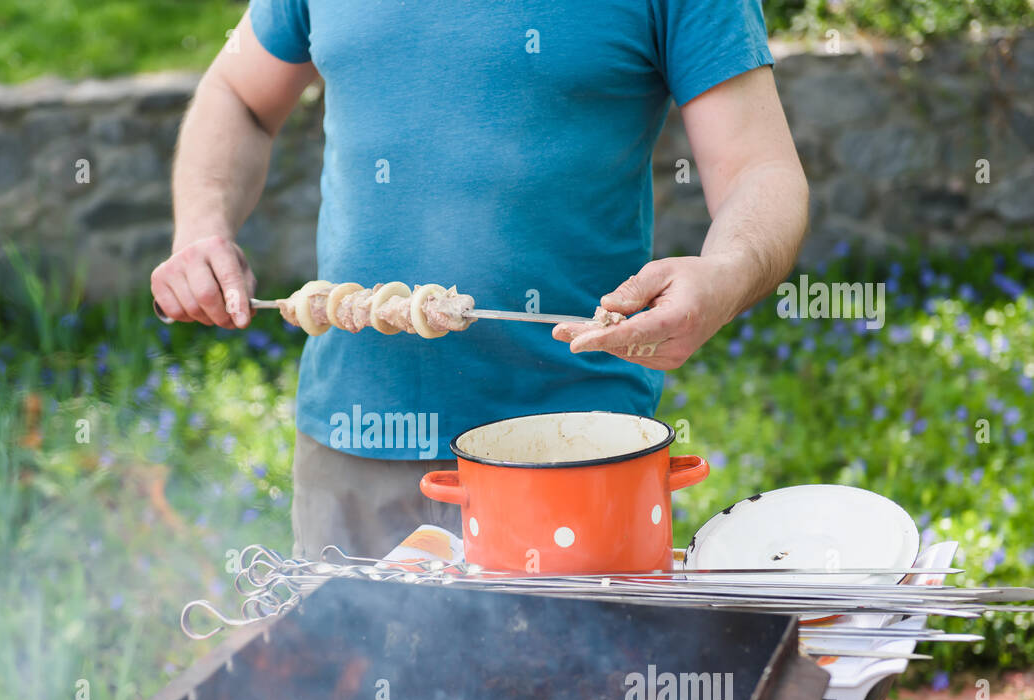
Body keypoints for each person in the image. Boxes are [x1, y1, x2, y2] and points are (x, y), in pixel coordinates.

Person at [150, 1, 808, 559]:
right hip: (351, 455)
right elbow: (237, 93)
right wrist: (201, 227)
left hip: (575, 460)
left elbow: (761, 170)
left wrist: (723, 276)